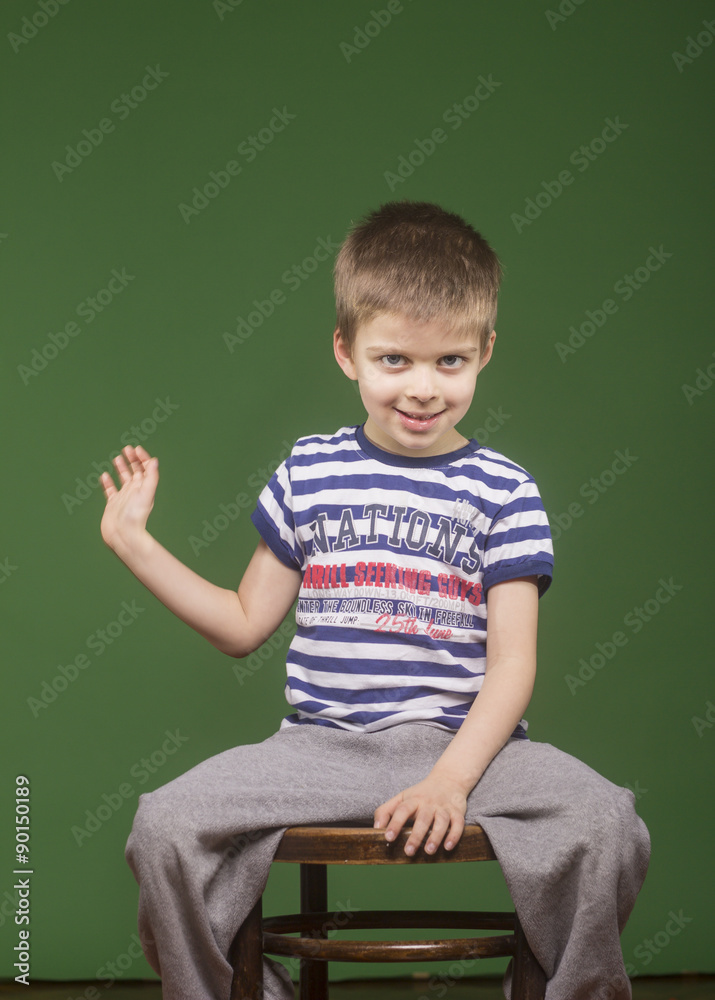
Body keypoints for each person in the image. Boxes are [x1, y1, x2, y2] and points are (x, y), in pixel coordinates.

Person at [99, 200, 650, 1000]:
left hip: (472, 751)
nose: (422, 388)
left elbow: (512, 665)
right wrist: (136, 546)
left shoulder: (506, 492)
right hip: (317, 750)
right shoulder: (309, 471)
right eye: (394, 360)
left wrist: (450, 781)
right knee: (163, 825)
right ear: (345, 352)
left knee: (606, 823)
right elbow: (242, 624)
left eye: (449, 362)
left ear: (485, 352)